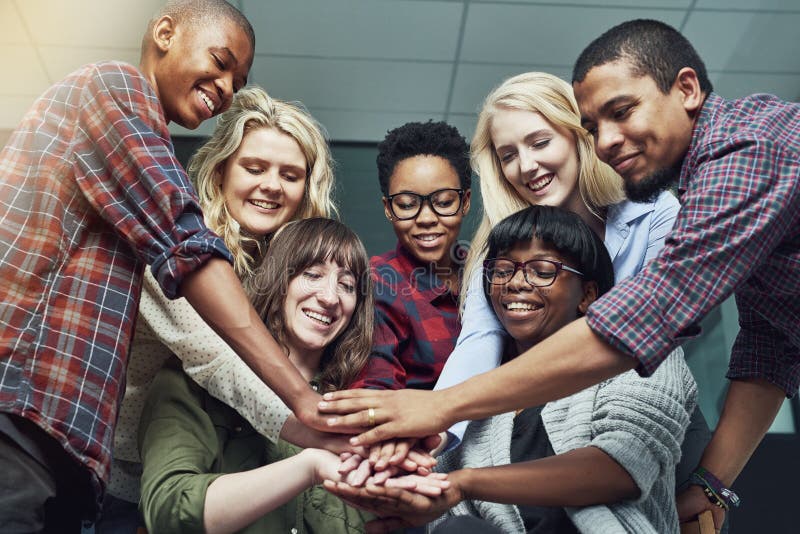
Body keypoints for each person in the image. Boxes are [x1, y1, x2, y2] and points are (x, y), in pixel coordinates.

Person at [318, 19, 799, 531]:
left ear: (686, 88)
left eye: (621, 112)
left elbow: (646, 319)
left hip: (639, 421)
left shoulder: (738, 156)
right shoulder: (495, 246)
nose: (609, 140)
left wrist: (439, 409)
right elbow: (772, 345)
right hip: (555, 430)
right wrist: (434, 432)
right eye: (508, 155)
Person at [0, 1, 321, 530]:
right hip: (23, 408)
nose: (223, 87)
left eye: (235, 82)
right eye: (218, 63)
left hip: (65, 439)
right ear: (165, 33)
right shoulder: (114, 87)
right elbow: (185, 246)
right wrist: (303, 407)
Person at [326, 205, 696, 534]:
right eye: (502, 270)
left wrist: (466, 482)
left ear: (587, 295)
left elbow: (622, 469)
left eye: (542, 270)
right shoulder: (479, 391)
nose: (516, 283)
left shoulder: (643, 359)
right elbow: (443, 498)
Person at [99, 85, 337, 531]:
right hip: (124, 477)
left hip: (221, 473)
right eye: (254, 167)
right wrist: (313, 429)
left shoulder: (287, 272)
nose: (271, 185)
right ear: (221, 172)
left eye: (290, 174)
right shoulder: (175, 243)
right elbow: (214, 356)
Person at [138, 218, 377, 533]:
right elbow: (167, 512)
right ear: (278, 281)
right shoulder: (196, 376)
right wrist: (310, 466)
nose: (330, 298)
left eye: (346, 285)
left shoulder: (356, 405)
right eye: (313, 275)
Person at [351, 121, 471, 392]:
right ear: (388, 209)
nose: (426, 218)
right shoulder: (377, 283)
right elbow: (374, 391)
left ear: (465, 202)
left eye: (443, 202)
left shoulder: (488, 273)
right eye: (407, 205)